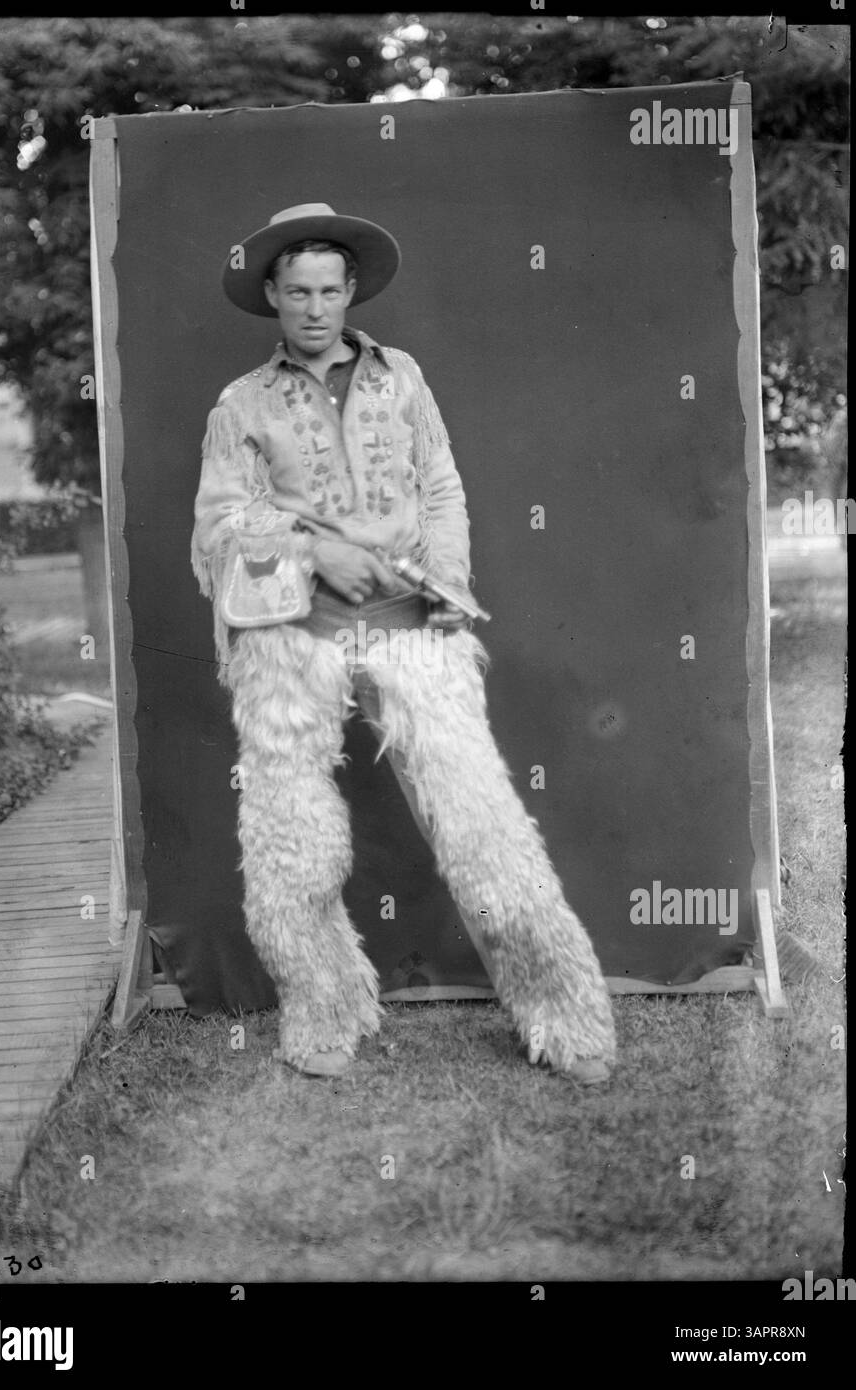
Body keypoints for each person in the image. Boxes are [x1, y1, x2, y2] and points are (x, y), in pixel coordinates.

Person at [191, 203, 616, 1082]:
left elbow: (442, 487)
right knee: (290, 838)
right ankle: (324, 1008)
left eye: (329, 290)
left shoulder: (402, 377)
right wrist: (314, 552)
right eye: (297, 291)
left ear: (351, 294)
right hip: (290, 638)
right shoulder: (240, 404)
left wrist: (452, 581)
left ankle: (564, 1015)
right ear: (272, 293)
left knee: (481, 824)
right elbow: (218, 530)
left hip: (412, 624)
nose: (314, 307)